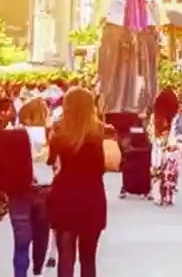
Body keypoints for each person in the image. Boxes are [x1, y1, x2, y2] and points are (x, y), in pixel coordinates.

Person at [48, 88, 108, 277]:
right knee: (88, 258)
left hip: (64, 196)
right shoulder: (100, 131)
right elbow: (104, 165)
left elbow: (51, 161)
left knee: (66, 255)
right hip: (92, 197)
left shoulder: (59, 131)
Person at [0, 99, 53, 277]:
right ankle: (37, 271)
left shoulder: (12, 134)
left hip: (19, 190)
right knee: (41, 236)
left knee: (21, 241)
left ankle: (20, 273)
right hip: (44, 190)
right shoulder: (51, 135)